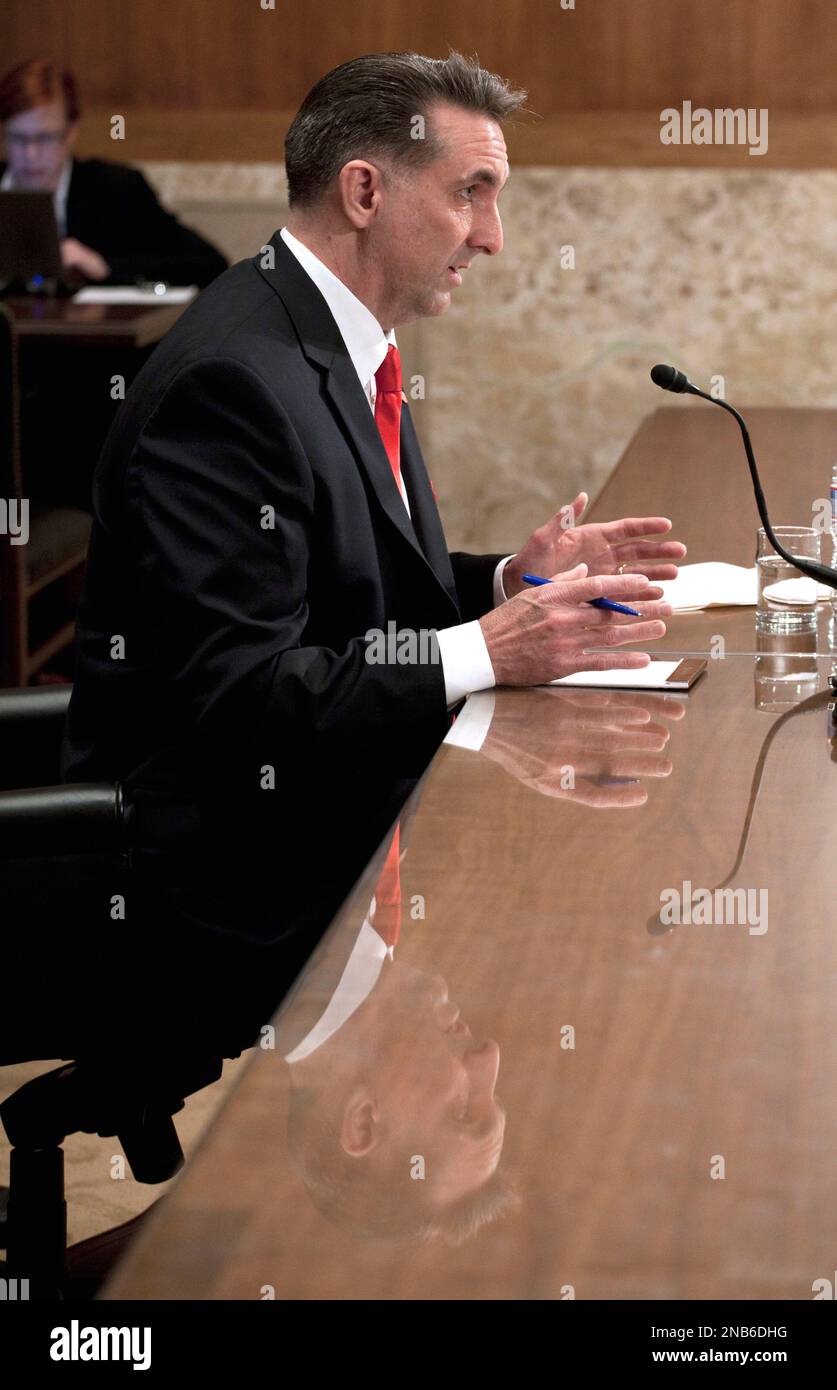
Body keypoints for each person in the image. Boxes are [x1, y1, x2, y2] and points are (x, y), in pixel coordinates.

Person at [60, 51, 684, 942]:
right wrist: (487, 648)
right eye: (470, 192)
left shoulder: (333, 335)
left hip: (336, 815)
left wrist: (509, 583)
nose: (492, 235)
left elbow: (348, 595)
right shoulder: (229, 382)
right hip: (230, 878)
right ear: (363, 193)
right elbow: (248, 698)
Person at [0, 57, 228, 287]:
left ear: (71, 133)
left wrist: (106, 266)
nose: (31, 154)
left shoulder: (115, 190)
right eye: (17, 139)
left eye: (45, 138)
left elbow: (209, 265)